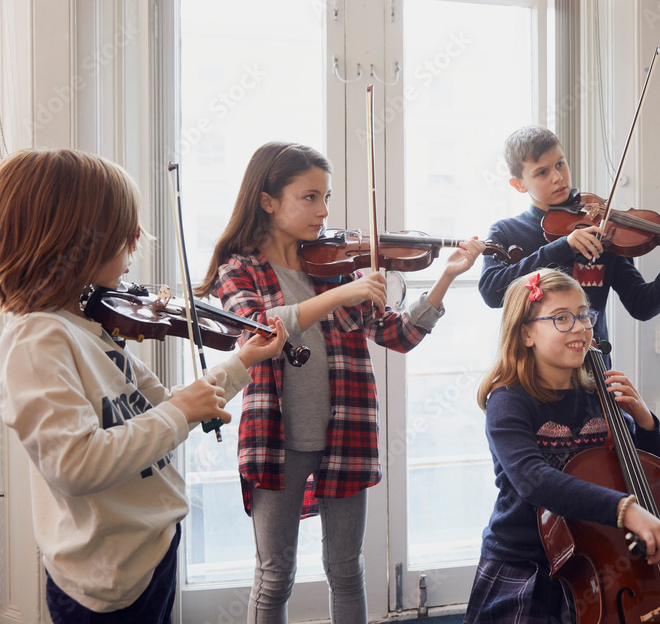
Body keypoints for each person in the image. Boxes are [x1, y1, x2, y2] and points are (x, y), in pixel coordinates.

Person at [0, 149, 288, 624]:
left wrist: (240, 362)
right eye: (123, 230)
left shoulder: (87, 325)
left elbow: (163, 408)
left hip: (150, 548)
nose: (138, 239)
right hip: (108, 578)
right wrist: (181, 411)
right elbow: (76, 463)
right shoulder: (37, 339)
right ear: (70, 240)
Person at [196, 142, 485, 623]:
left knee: (346, 569)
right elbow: (259, 328)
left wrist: (444, 279)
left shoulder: (334, 266)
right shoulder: (239, 267)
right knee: (275, 575)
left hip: (345, 432)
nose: (324, 211)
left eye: (326, 197)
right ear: (268, 200)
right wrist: (344, 294)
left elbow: (398, 334)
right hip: (276, 439)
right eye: (309, 197)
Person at [466, 267, 660, 623]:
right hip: (527, 561)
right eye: (562, 318)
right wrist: (626, 510)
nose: (581, 327)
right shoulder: (508, 400)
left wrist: (645, 423)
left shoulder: (598, 393)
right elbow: (533, 479)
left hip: (599, 558)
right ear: (526, 333)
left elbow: (645, 477)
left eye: (584, 315)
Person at [478, 125, 660, 347]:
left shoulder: (601, 229)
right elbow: (492, 293)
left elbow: (642, 305)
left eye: (560, 164)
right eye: (542, 172)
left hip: (592, 368)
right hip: (532, 376)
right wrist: (563, 246)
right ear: (519, 184)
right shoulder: (506, 232)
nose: (558, 177)